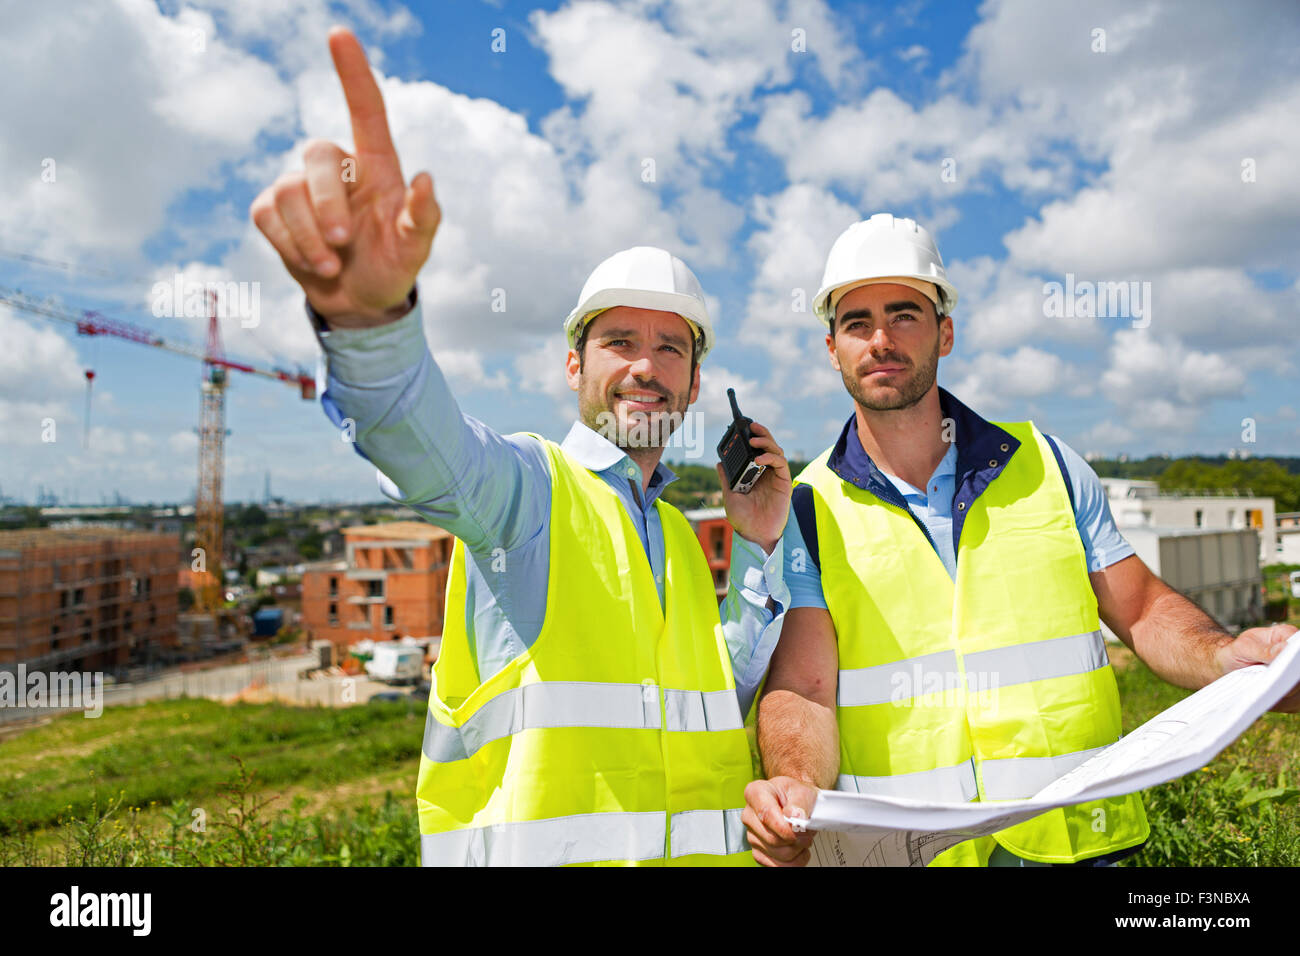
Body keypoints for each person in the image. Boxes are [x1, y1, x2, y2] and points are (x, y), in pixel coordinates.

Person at [250, 27, 791, 866]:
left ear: (693, 385)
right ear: (575, 363)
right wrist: (370, 326)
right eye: (620, 341)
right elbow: (424, 446)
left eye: (672, 348)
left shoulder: (683, 544)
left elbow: (709, 697)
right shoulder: (527, 493)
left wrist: (756, 545)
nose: (647, 366)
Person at [741, 213, 1300, 867]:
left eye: (904, 315)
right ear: (831, 347)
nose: (881, 339)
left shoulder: (1048, 464)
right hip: (911, 854)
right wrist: (796, 785)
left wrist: (1228, 657)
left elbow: (1143, 610)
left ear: (944, 333)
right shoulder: (808, 507)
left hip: (1073, 842)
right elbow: (806, 687)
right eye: (856, 322)